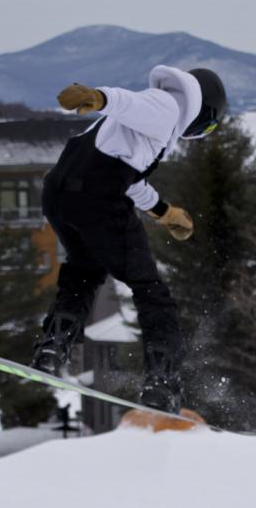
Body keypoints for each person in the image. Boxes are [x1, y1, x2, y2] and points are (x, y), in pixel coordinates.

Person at [31, 66, 228, 415]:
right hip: (98, 200)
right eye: (208, 128)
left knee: (84, 271)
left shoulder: (142, 128)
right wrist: (98, 97)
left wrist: (165, 212)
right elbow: (128, 103)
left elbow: (130, 178)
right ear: (203, 110)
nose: (199, 134)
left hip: (60, 195)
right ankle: (160, 384)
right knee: (151, 291)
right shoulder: (168, 107)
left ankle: (52, 347)